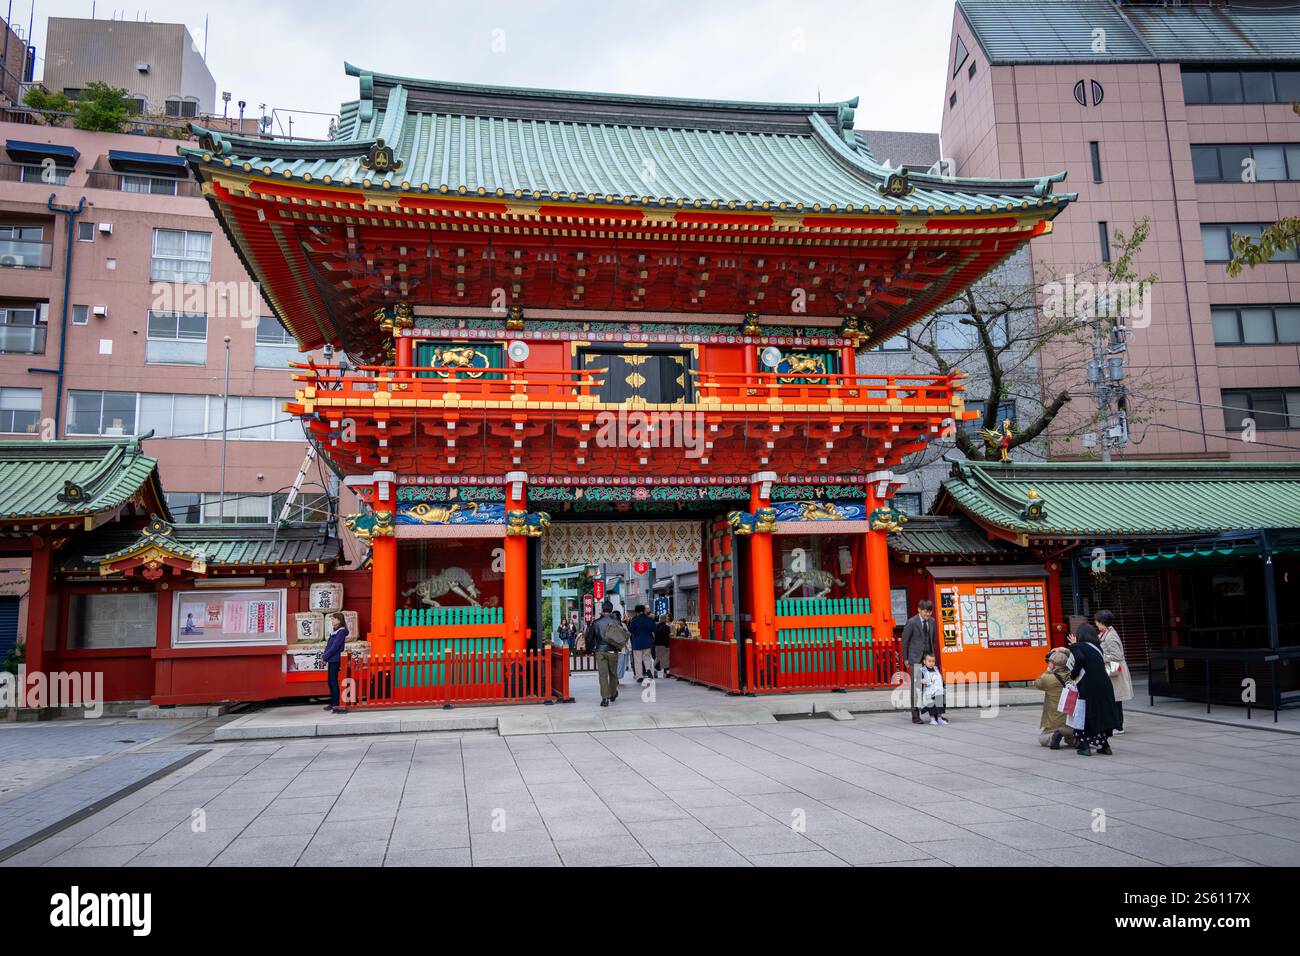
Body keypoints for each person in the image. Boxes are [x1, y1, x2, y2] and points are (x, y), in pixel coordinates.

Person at [1067, 622, 1121, 756]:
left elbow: (1079, 658)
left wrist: (1073, 674)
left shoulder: (1077, 646)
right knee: (1100, 712)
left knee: (1085, 712)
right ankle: (1105, 746)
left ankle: (1085, 746)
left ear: (1080, 635)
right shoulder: (1098, 647)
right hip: (1104, 685)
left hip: (1088, 685)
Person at [585, 600, 630, 707]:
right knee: (613, 674)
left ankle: (605, 698)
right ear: (611, 609)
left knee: (603, 675)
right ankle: (613, 694)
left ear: (602, 610)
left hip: (600, 651)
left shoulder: (596, 623)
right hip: (613, 651)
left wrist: (588, 650)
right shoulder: (616, 622)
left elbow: (589, 639)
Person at [1095, 609, 1132, 734]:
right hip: (1112, 670)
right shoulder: (1106, 633)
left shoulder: (1110, 636)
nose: (1095, 623)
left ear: (1101, 622)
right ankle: (1115, 724)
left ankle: (1118, 726)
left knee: (1116, 699)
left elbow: (1117, 656)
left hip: (1115, 670)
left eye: (1097, 621)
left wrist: (1100, 656)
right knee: (1113, 698)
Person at [900, 599, 937, 724]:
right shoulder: (911, 622)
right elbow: (904, 641)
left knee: (933, 686)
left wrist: (933, 657)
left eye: (929, 612)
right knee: (917, 687)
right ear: (919, 610)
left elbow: (933, 640)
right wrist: (905, 658)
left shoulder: (932, 621)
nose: (927, 615)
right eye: (925, 612)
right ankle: (915, 715)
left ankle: (935, 714)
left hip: (929, 660)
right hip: (915, 658)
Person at [1034, 647, 1077, 749]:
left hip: (1055, 721)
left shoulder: (1048, 678)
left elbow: (1037, 683)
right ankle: (1075, 739)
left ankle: (1053, 736)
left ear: (1052, 664)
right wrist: (1065, 650)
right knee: (1070, 734)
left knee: (1042, 738)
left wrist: (1048, 670)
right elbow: (1075, 658)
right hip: (1072, 720)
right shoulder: (1072, 675)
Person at [322, 612, 348, 715]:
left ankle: (336, 703)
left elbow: (334, 647)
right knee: (330, 682)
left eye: (334, 619)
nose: (332, 621)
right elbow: (329, 646)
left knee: (333, 682)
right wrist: (325, 656)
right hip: (331, 658)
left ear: (339, 620)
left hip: (335, 659)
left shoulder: (341, 632)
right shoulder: (334, 631)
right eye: (332, 619)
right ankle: (333, 702)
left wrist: (325, 657)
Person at [628, 605, 657, 685]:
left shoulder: (634, 620)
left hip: (637, 642)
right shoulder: (649, 619)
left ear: (636, 612)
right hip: (647, 642)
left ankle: (639, 676)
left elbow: (630, 630)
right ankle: (648, 670)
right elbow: (654, 629)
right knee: (647, 658)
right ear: (644, 611)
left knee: (638, 660)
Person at [916, 651, 946, 725]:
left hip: (938, 690)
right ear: (924, 661)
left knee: (940, 705)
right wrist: (921, 680)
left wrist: (943, 684)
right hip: (929, 691)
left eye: (933, 661)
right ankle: (932, 719)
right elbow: (917, 680)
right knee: (931, 706)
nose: (931, 663)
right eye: (929, 661)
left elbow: (939, 677)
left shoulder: (936, 669)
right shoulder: (922, 670)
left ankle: (939, 718)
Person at [653, 613, 672, 677]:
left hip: (657, 644)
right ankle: (665, 673)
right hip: (664, 645)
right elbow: (666, 637)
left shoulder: (656, 626)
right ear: (665, 619)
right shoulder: (667, 627)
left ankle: (653, 669)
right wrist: (667, 645)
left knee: (658, 658)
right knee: (666, 659)